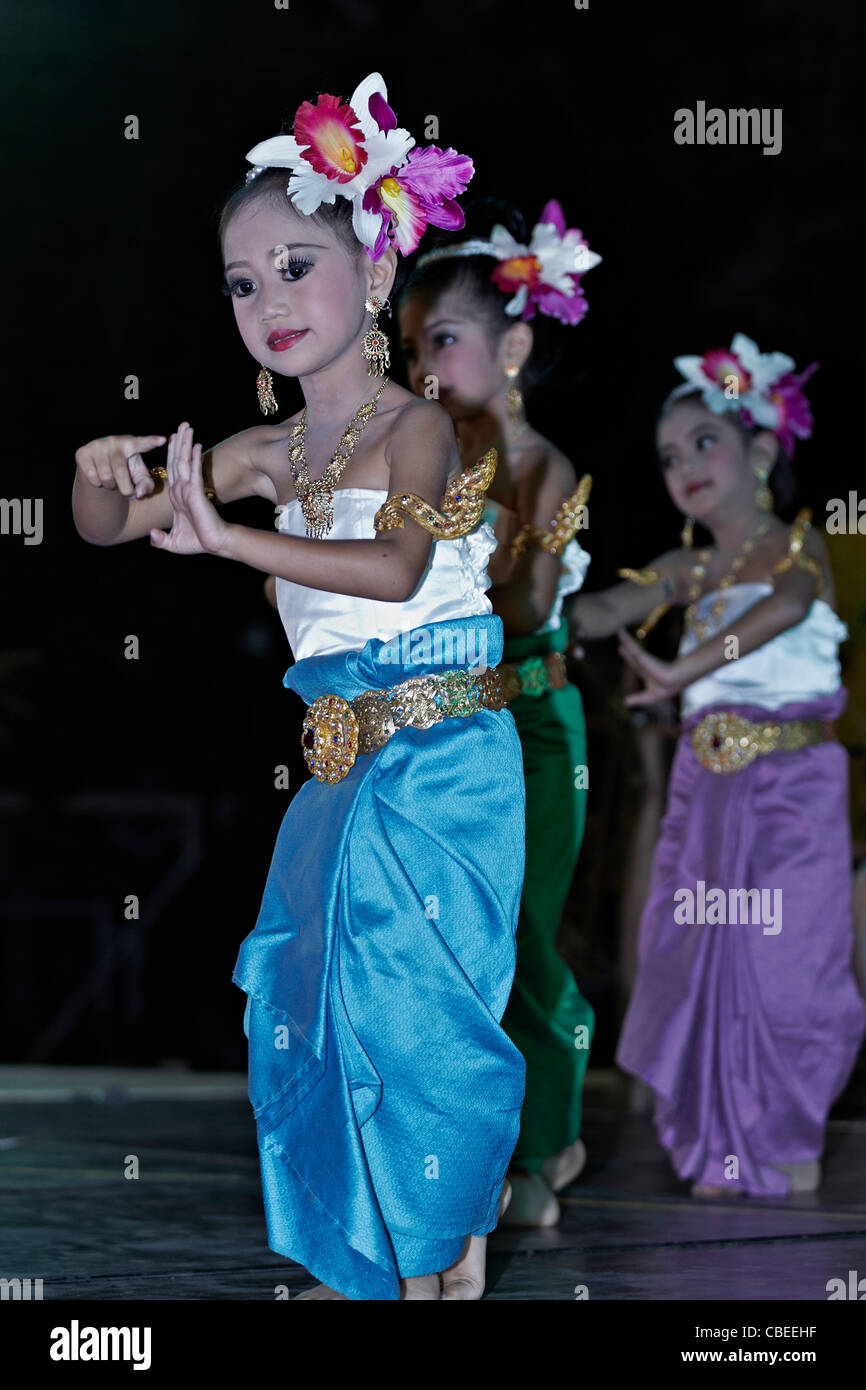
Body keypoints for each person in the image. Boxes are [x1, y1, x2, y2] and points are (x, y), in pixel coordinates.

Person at [72, 72, 527, 1299]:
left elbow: (396, 565)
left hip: (446, 759)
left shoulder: (415, 429)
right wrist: (98, 474)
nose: (265, 300)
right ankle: (370, 1252)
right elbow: (112, 523)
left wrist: (234, 544)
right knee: (318, 1003)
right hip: (341, 762)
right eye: (239, 281)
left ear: (375, 276)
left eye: (294, 266)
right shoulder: (265, 452)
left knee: (422, 1016)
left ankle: (446, 1239)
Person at [570, 333, 866, 1196]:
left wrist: (689, 668)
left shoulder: (797, 552)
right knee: (697, 960)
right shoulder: (688, 566)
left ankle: (783, 1133)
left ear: (763, 451)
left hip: (790, 790)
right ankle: (719, 1139)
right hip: (706, 791)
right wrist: (542, 603)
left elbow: (783, 611)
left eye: (706, 443)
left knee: (786, 967)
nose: (684, 466)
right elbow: (618, 602)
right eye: (669, 455)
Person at [398, 198, 601, 1225]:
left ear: (513, 343)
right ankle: (454, 1138)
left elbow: (519, 605)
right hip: (447, 731)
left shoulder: (540, 469)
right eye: (407, 346)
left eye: (441, 340)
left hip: (530, 726)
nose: (420, 366)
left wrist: (452, 527)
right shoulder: (424, 455)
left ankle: (546, 1139)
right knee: (446, 933)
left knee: (520, 932)